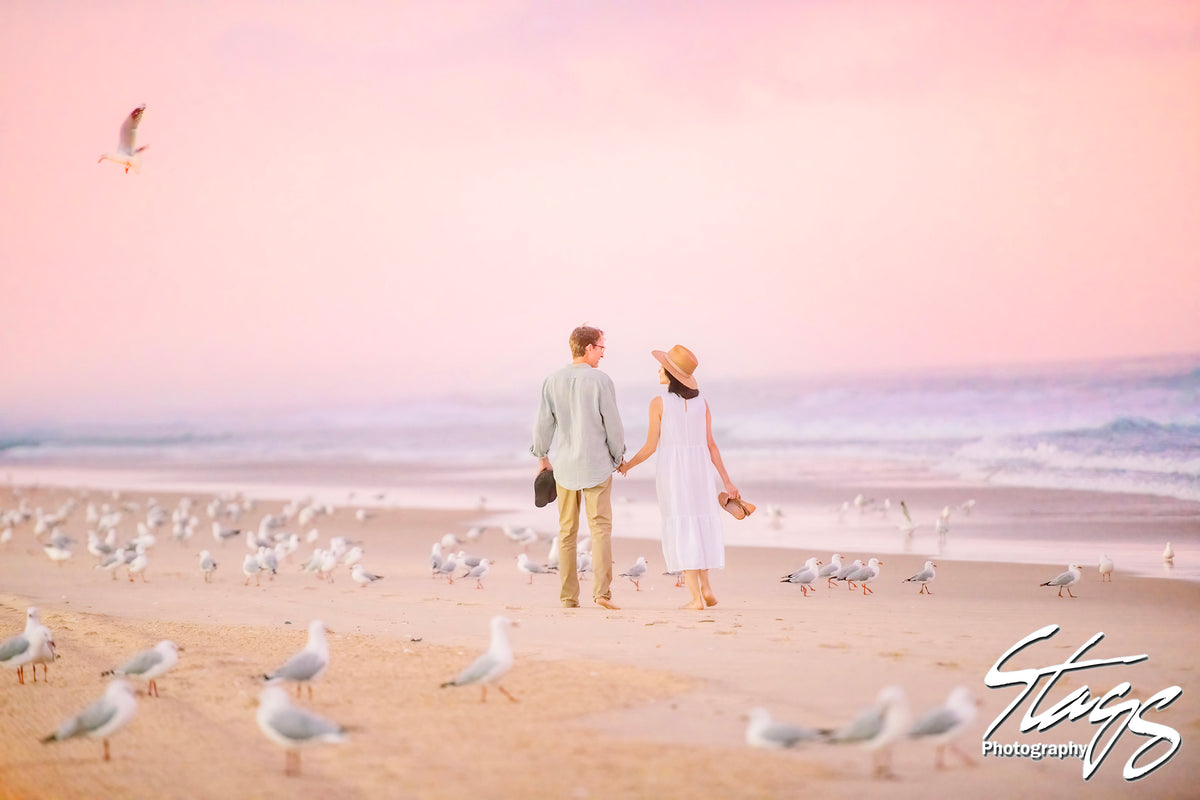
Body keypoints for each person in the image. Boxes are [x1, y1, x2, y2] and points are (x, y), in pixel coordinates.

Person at [618, 345, 738, 610]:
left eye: (662, 367)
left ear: (671, 374)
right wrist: (727, 481)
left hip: (673, 473)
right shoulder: (701, 403)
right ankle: (706, 589)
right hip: (701, 472)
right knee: (698, 523)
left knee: (683, 526)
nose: (658, 370)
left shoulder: (658, 403)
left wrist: (628, 466)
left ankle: (695, 598)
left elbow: (651, 446)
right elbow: (711, 445)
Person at [532, 325, 626, 610]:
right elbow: (613, 425)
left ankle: (568, 597)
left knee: (566, 532)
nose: (602, 353)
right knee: (600, 530)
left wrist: (542, 458)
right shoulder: (600, 380)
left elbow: (542, 425)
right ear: (588, 348)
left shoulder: (552, 380)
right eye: (600, 347)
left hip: (565, 467)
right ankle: (601, 594)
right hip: (597, 465)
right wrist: (618, 457)